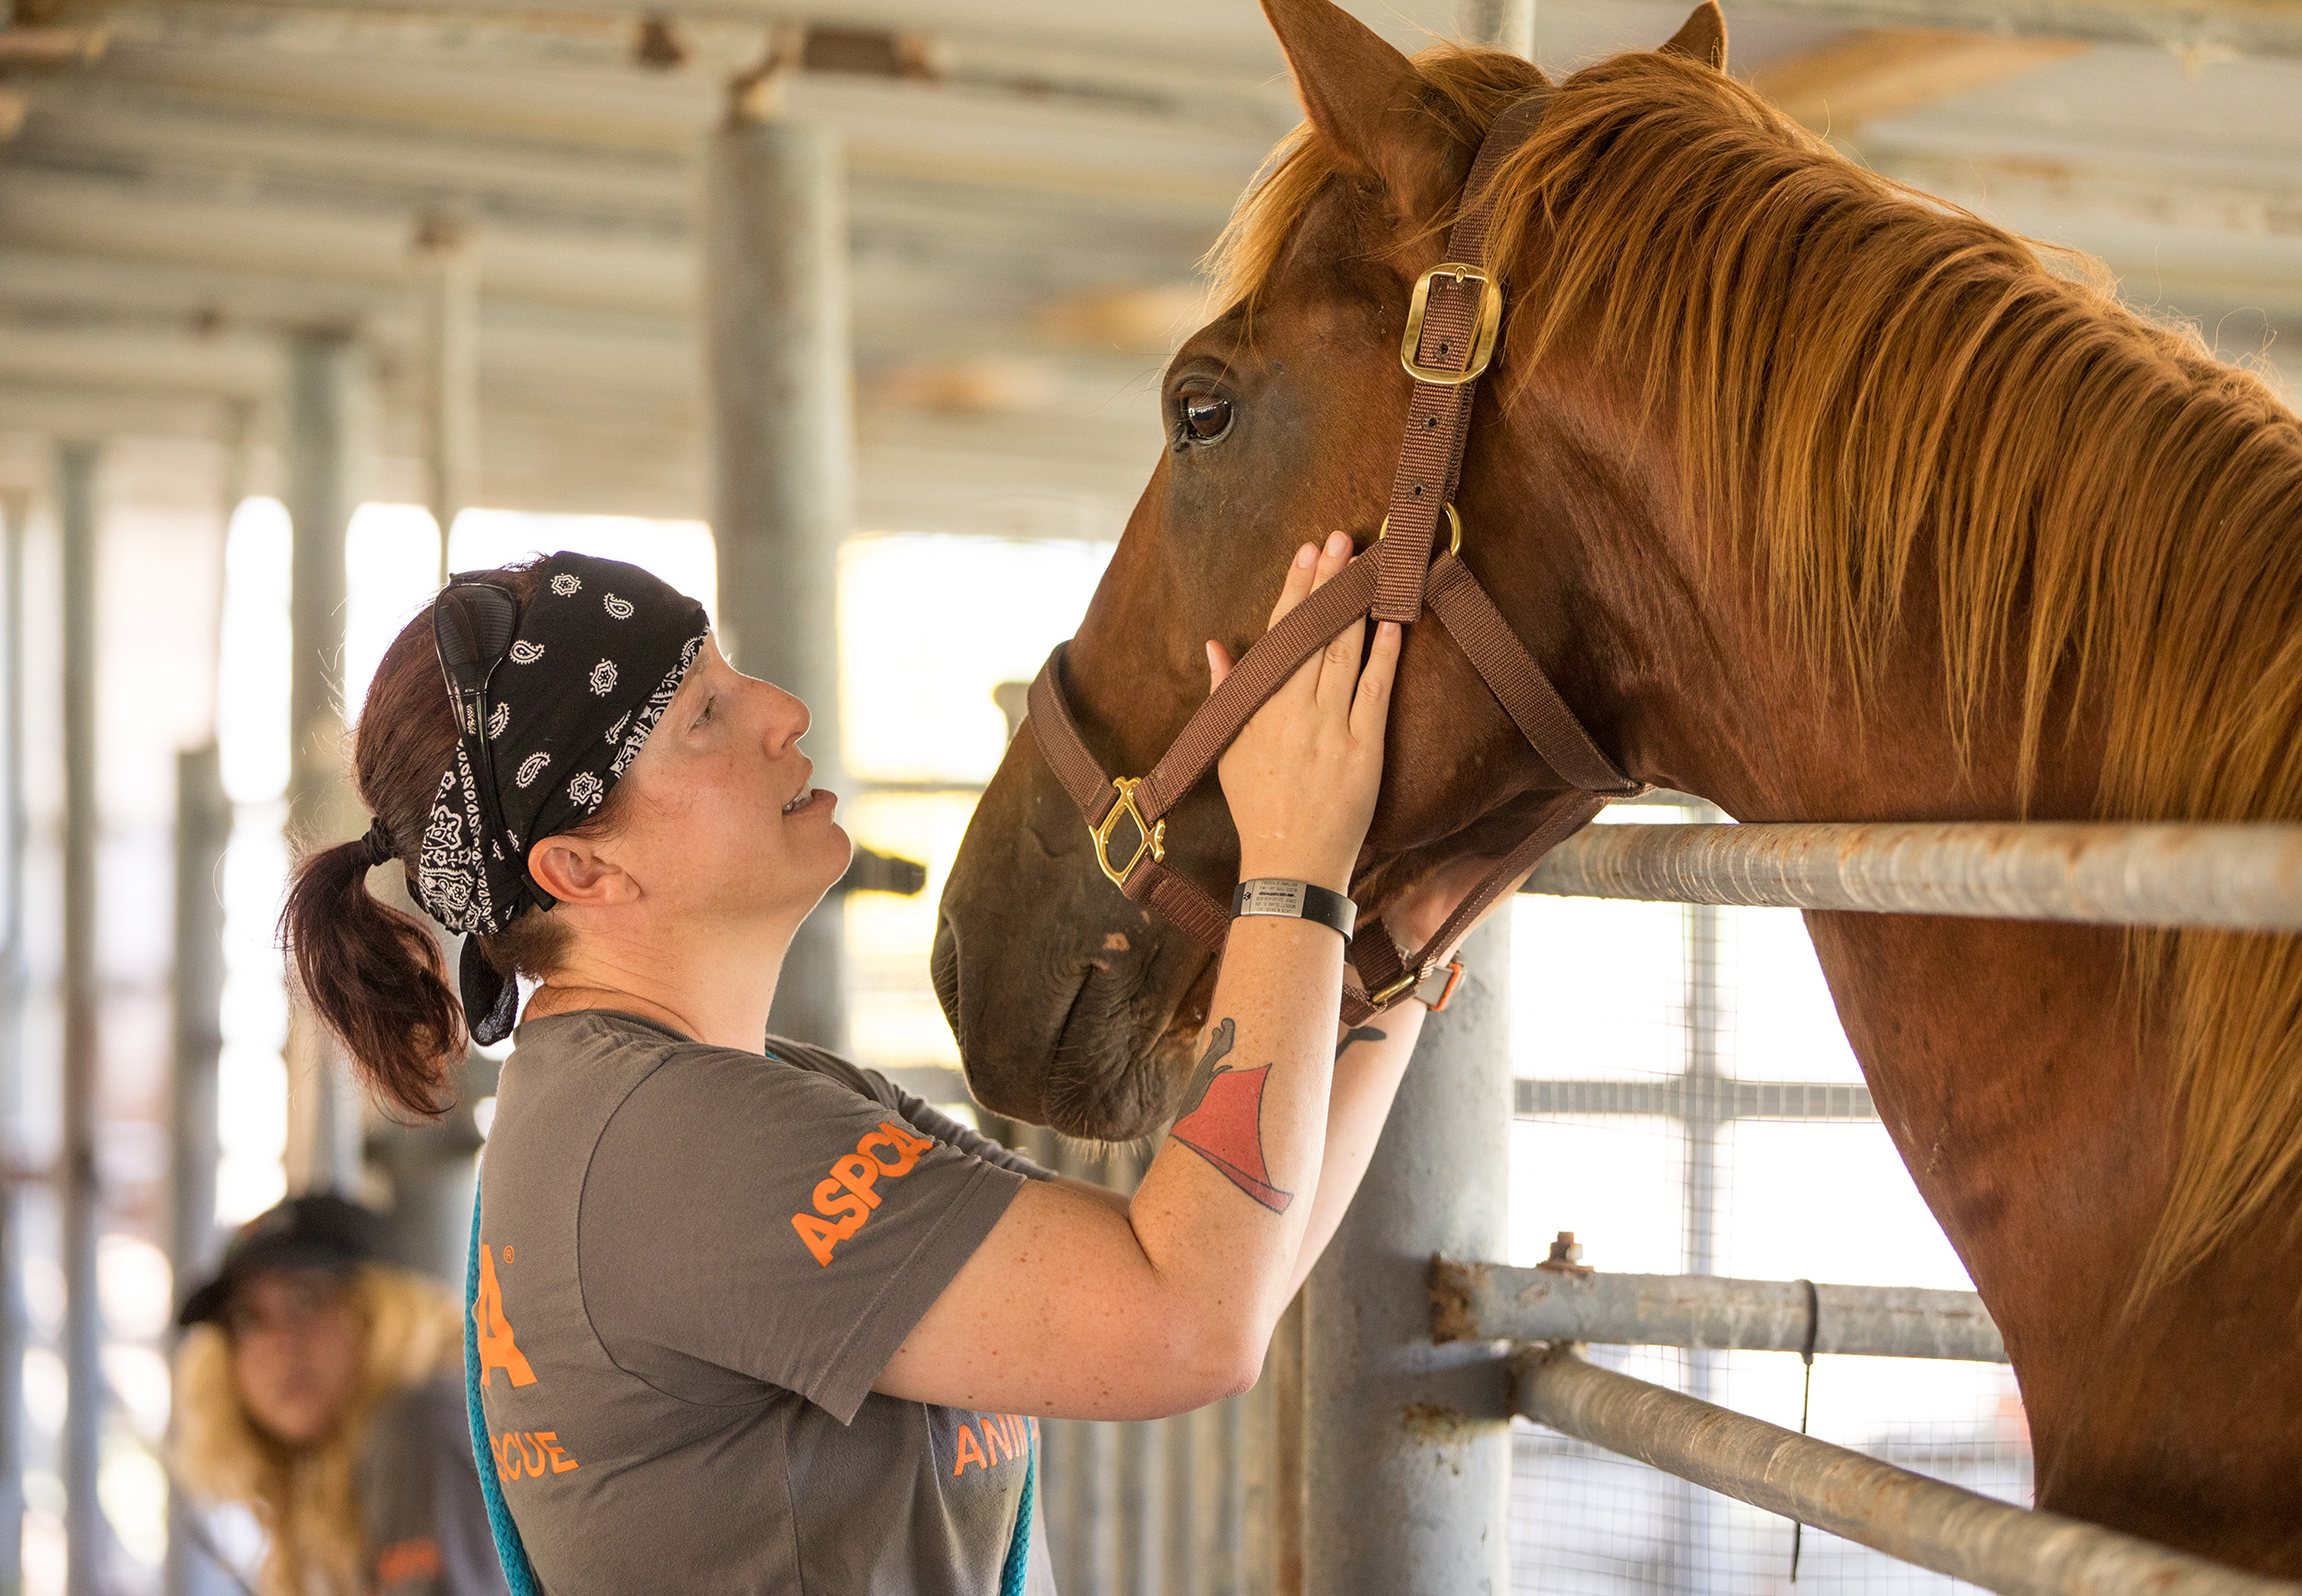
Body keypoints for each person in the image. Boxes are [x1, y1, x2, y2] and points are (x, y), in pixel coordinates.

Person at [279, 538, 1481, 1594]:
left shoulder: (707, 1104)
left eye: (730, 675)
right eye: (701, 718)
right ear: (582, 872)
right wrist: (1293, 866)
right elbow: (1188, 1322)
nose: (781, 711)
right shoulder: (675, 1147)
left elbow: (1218, 1262)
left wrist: (1414, 928)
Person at [171, 1193, 510, 1596]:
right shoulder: (347, 1466)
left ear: (381, 1311)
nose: (278, 1344)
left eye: (304, 1300)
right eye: (246, 1320)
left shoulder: (416, 1427)